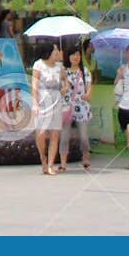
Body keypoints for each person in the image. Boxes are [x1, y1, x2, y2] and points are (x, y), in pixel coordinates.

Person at [31, 42, 65, 175]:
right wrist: (35, 103)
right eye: (55, 50)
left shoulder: (59, 67)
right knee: (41, 132)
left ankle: (50, 164)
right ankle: (43, 157)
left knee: (55, 133)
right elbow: (34, 84)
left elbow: (65, 82)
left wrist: (65, 87)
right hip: (43, 100)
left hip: (56, 99)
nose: (57, 52)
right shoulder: (38, 65)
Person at [62, 46, 93, 172]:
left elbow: (89, 88)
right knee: (64, 136)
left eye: (78, 55)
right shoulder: (64, 71)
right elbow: (62, 88)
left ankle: (86, 159)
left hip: (81, 107)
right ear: (68, 57)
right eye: (73, 54)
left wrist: (88, 94)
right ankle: (63, 163)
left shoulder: (85, 71)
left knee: (84, 137)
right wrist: (64, 87)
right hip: (67, 107)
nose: (75, 57)